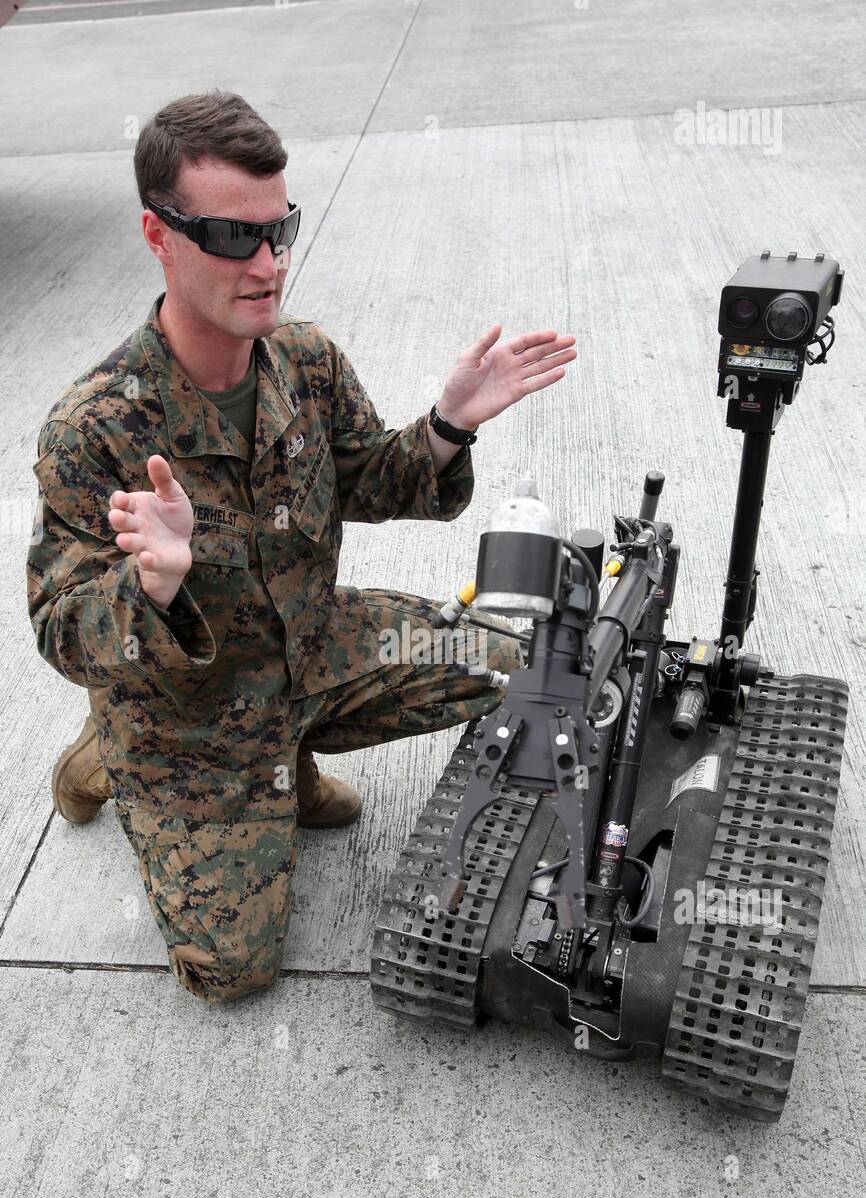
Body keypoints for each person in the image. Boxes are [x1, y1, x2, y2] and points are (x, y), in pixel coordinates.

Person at [27, 90, 577, 1004]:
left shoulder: (306, 360)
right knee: (232, 975)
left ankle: (290, 758)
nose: (270, 262)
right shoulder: (96, 427)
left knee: (515, 669)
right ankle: (112, 752)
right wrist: (151, 587)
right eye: (232, 236)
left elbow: (371, 481)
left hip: (312, 647)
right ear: (158, 235)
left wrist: (446, 427)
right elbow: (59, 628)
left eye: (280, 229)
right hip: (191, 719)